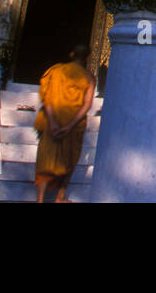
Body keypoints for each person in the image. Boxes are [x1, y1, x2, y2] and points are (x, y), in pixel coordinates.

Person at [34, 44, 95, 203]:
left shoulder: (56, 71)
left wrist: (53, 123)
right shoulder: (89, 77)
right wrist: (70, 125)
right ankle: (60, 197)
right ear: (88, 57)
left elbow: (48, 98)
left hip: (53, 121)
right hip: (74, 124)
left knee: (46, 158)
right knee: (69, 159)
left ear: (71, 54)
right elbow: (87, 104)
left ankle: (40, 200)